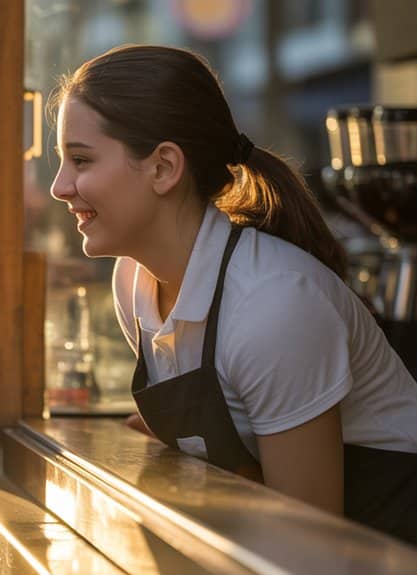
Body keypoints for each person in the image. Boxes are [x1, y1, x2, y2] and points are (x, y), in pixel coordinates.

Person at [49, 45, 417, 544]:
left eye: (81, 159)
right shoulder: (133, 281)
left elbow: (307, 537)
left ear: (163, 168)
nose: (59, 186)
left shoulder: (274, 303)